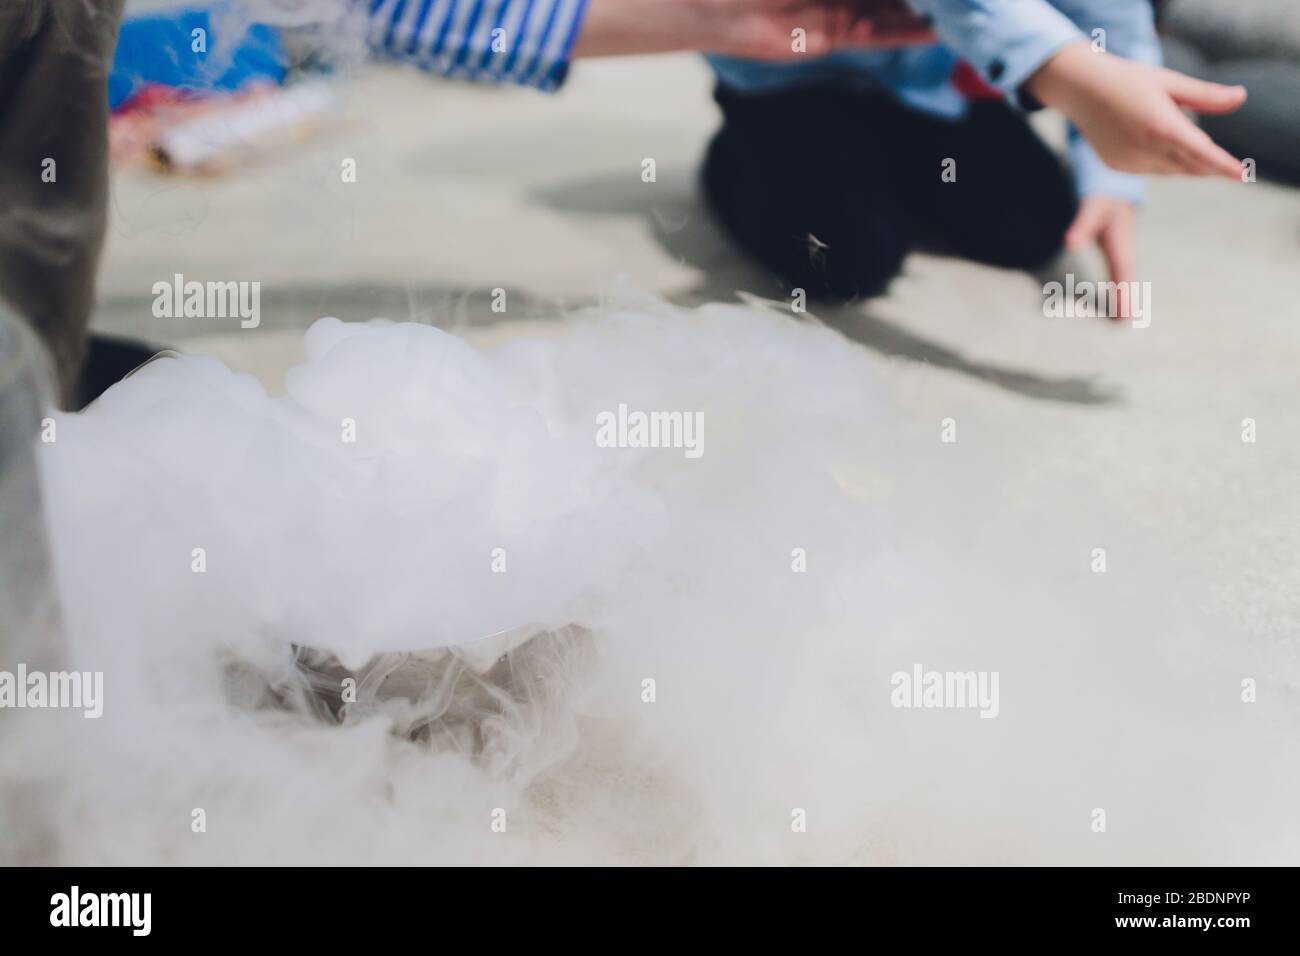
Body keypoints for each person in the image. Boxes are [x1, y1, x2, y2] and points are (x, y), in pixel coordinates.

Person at [702, 0, 1249, 310]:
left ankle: (880, 170)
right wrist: (1065, 72)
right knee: (845, 263)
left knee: (1035, 230)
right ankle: (736, 160)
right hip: (789, 82)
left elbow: (1111, 21)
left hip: (931, 88)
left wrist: (1109, 179)